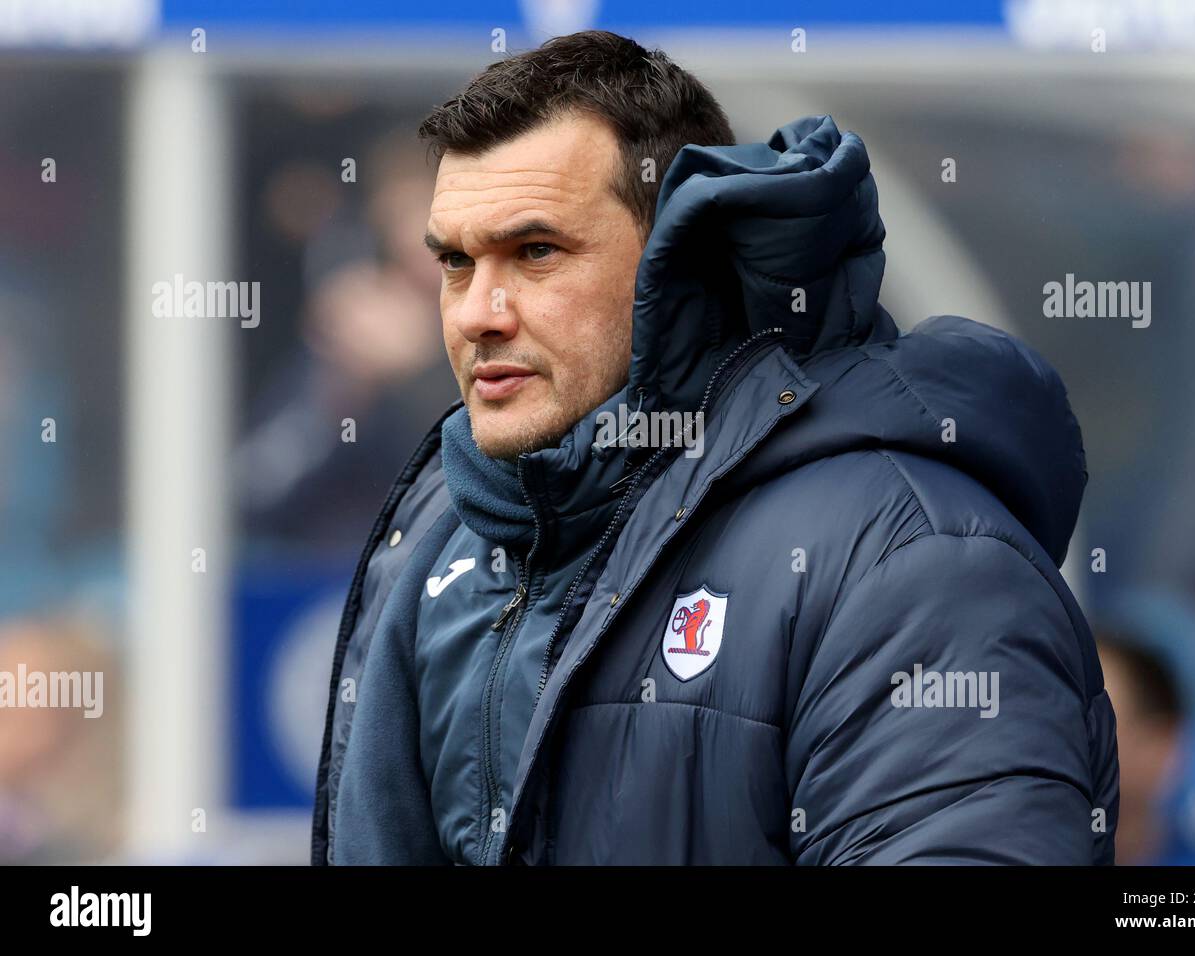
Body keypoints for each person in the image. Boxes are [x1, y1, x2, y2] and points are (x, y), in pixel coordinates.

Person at [312, 29, 1119, 865]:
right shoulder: (446, 545)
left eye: (536, 252)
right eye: (454, 262)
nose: (478, 311)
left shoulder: (908, 557)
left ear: (679, 261)